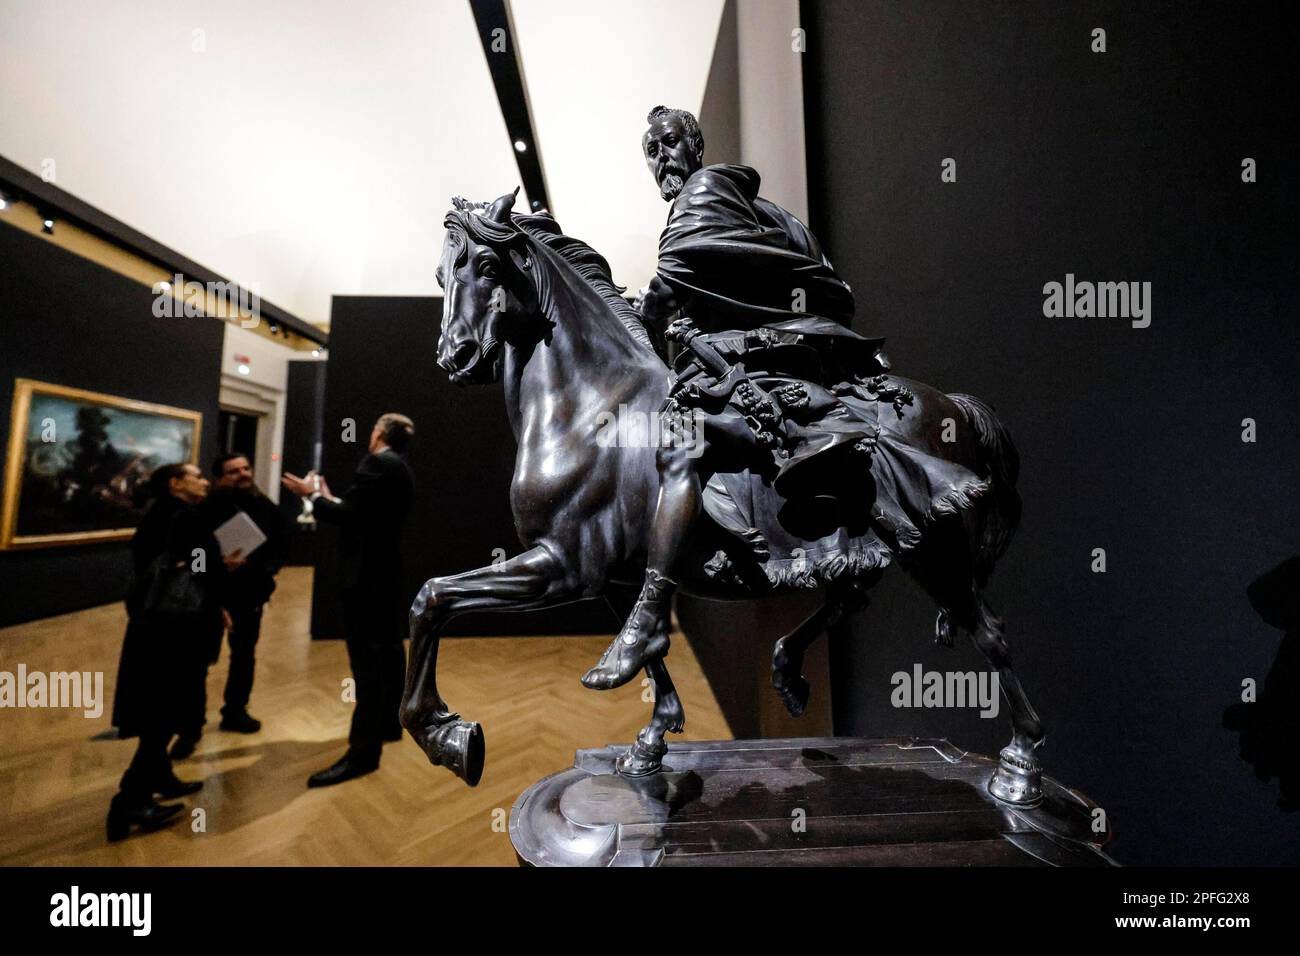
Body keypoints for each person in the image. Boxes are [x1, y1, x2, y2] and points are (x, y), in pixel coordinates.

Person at [583, 104, 909, 689]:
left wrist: (637, 319)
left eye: (669, 143)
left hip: (753, 359)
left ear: (696, 145)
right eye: (651, 152)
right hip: (748, 354)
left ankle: (652, 613)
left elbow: (673, 276)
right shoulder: (753, 210)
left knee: (676, 443)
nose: (662, 159)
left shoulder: (703, 194)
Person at [282, 413, 415, 787]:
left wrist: (310, 496)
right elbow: (366, 516)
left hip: (365, 582)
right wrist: (327, 497)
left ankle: (363, 753)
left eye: (372, 429)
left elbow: (349, 516)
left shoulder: (376, 462)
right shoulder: (399, 467)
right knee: (389, 653)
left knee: (368, 666)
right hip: (385, 576)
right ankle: (389, 727)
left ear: (378, 434)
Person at [109, 462, 238, 841]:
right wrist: (220, 595)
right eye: (195, 476)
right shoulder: (184, 517)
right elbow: (201, 570)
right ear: (176, 483)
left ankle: (162, 777)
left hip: (156, 625)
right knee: (163, 713)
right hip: (177, 629)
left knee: (161, 706)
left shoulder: (160, 515)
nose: (203, 481)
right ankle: (129, 799)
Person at [202, 452, 291, 734]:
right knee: (200, 657)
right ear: (219, 478)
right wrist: (218, 563)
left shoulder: (263, 504)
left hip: (250, 591)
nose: (243, 474)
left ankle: (235, 710)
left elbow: (282, 540)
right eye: (234, 471)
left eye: (246, 468)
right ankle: (188, 722)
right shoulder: (205, 509)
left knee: (243, 655)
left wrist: (270, 569)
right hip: (210, 591)